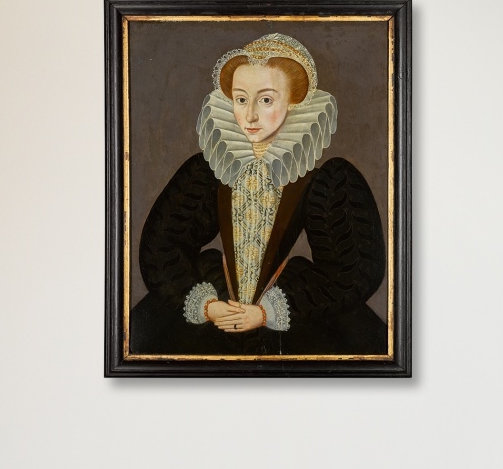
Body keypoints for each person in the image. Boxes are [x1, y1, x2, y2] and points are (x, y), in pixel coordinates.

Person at [130, 33, 388, 356]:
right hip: (218, 311)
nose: (249, 115)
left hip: (289, 320)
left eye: (265, 100)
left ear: (294, 101)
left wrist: (268, 312)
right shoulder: (210, 169)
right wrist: (209, 306)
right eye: (240, 99)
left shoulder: (324, 181)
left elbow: (354, 272)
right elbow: (160, 247)